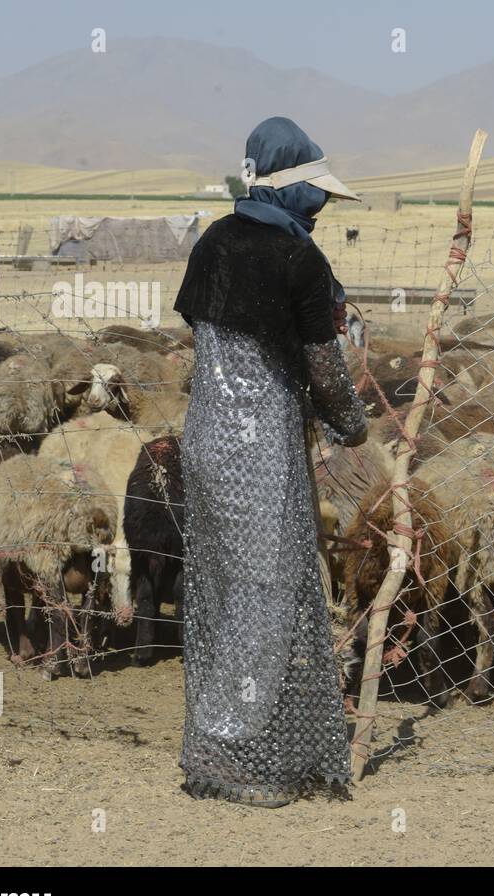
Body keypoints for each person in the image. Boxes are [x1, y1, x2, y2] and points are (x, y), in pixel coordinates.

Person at [172, 116, 369, 808]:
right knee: (265, 595)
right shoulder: (299, 261)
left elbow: (209, 339)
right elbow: (325, 370)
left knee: (224, 593)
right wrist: (353, 425)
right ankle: (232, 753)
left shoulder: (214, 242)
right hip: (262, 454)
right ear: (294, 188)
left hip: (205, 441)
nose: (320, 208)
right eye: (316, 194)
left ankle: (231, 742)